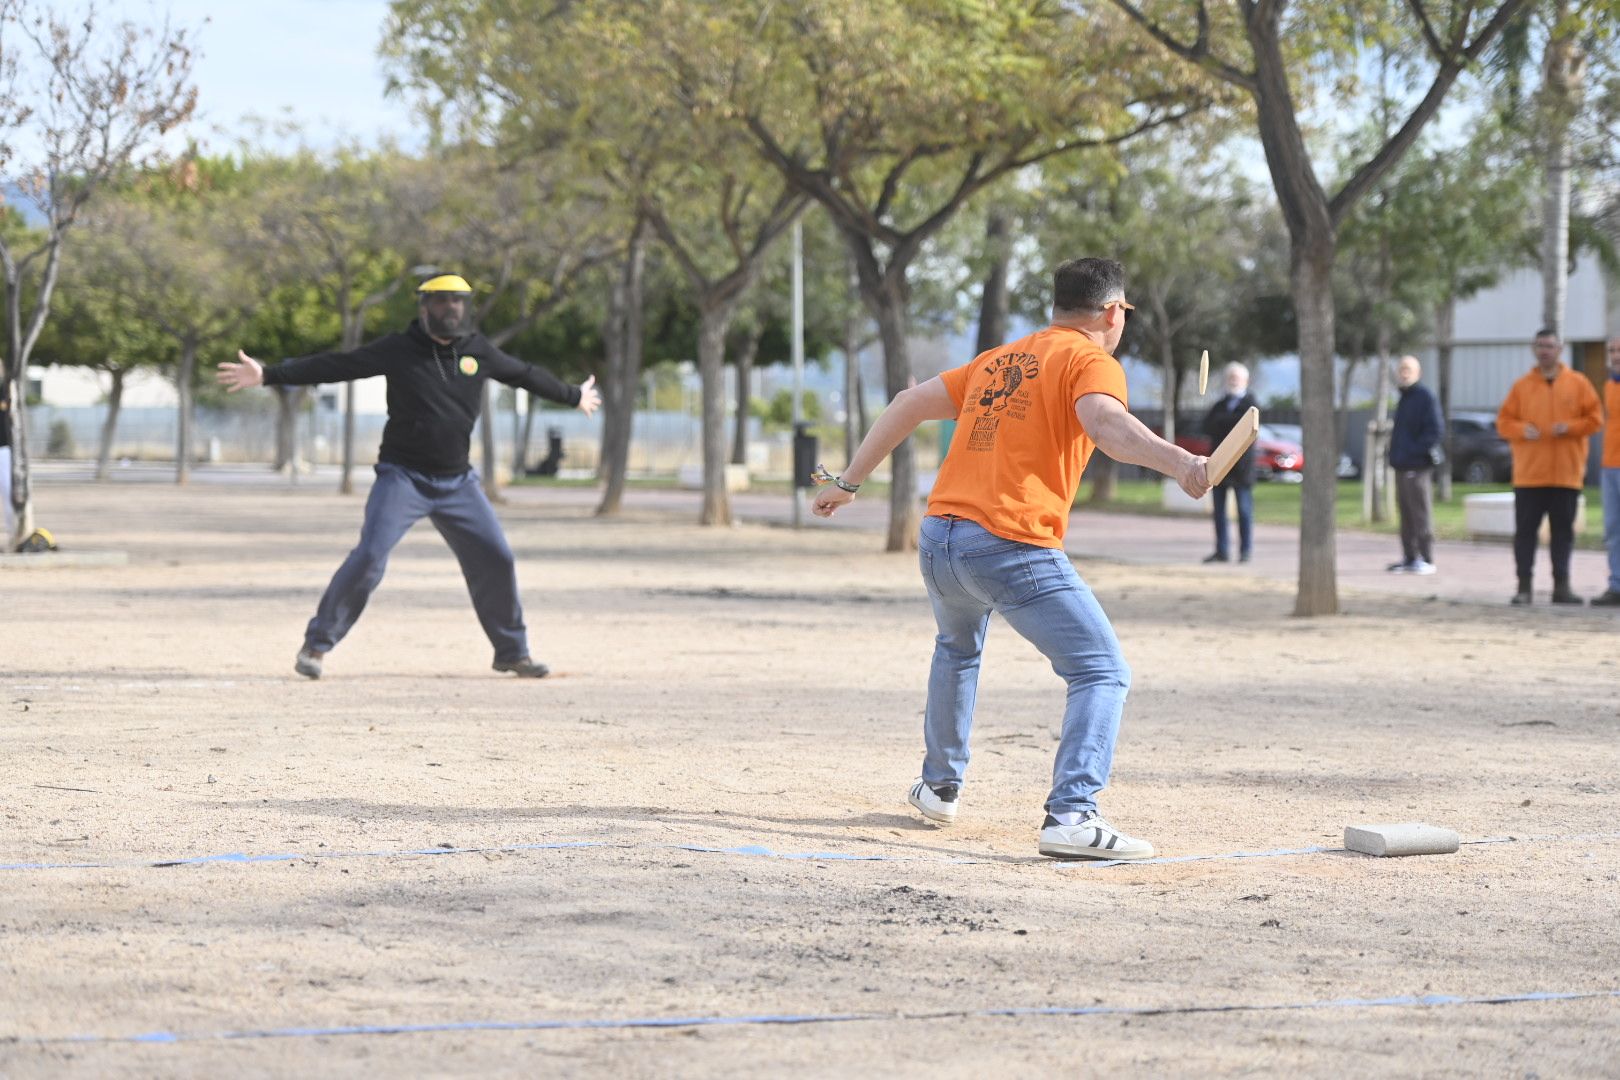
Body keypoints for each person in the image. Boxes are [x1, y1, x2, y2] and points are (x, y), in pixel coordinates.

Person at [812, 257, 1210, 861]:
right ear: (1111, 312)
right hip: (1009, 542)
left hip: (940, 537)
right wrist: (1181, 462)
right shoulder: (1092, 360)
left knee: (957, 649)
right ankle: (1073, 815)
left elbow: (906, 402)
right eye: (1124, 312)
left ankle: (940, 786)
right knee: (1100, 670)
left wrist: (849, 482)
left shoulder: (999, 359)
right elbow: (1104, 423)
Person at [216, 274, 601, 678]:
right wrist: (270, 375)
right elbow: (339, 365)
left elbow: (524, 373)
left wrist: (573, 395)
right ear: (424, 307)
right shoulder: (399, 349)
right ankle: (316, 647)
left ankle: (512, 652)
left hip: (458, 483)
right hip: (403, 478)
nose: (450, 309)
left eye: (457, 302)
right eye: (441, 302)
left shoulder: (478, 351)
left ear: (466, 308)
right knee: (369, 556)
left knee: (497, 558)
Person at [1495, 328, 1602, 605]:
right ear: (1534, 349)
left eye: (1550, 346)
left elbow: (1595, 419)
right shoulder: (1522, 386)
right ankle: (1524, 588)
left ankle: (1562, 587)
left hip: (1566, 474)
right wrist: (1521, 429)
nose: (1545, 351)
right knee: (1525, 534)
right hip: (1530, 476)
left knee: (1563, 534)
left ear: (1560, 349)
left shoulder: (1578, 383)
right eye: (1540, 345)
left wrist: (1571, 427)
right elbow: (1503, 423)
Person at [1386, 355, 1443, 575]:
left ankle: (1427, 558)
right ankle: (1410, 557)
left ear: (1418, 373)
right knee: (1406, 514)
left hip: (1417, 466)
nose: (1404, 373)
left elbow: (1435, 431)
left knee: (1420, 512)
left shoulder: (1424, 397)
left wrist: (1413, 452)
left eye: (1408, 369)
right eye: (1401, 369)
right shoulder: (1404, 398)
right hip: (1401, 465)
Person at [1200, 362, 1258, 563]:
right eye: (1230, 377)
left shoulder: (1250, 404)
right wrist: (1228, 422)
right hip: (1219, 468)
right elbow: (1207, 426)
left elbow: (1244, 428)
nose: (1233, 381)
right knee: (1219, 513)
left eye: (1237, 378)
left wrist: (1224, 423)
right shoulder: (1219, 405)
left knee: (1244, 511)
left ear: (1246, 381)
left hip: (1242, 470)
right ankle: (1221, 551)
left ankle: (1245, 551)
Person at [1593, 336, 1620, 607]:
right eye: (1612, 350)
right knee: (1613, 530)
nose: (1616, 355)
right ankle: (1616, 585)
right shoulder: (1610, 385)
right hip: (1610, 466)